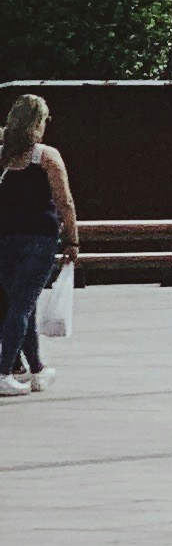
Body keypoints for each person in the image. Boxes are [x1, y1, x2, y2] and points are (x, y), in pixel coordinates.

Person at [0, 91, 78, 396]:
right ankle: (4, 372)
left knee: (22, 305)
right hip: (39, 239)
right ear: (39, 122)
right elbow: (64, 201)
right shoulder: (46, 156)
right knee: (21, 305)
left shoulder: (3, 155)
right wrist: (72, 239)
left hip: (4, 239)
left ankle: (37, 369)